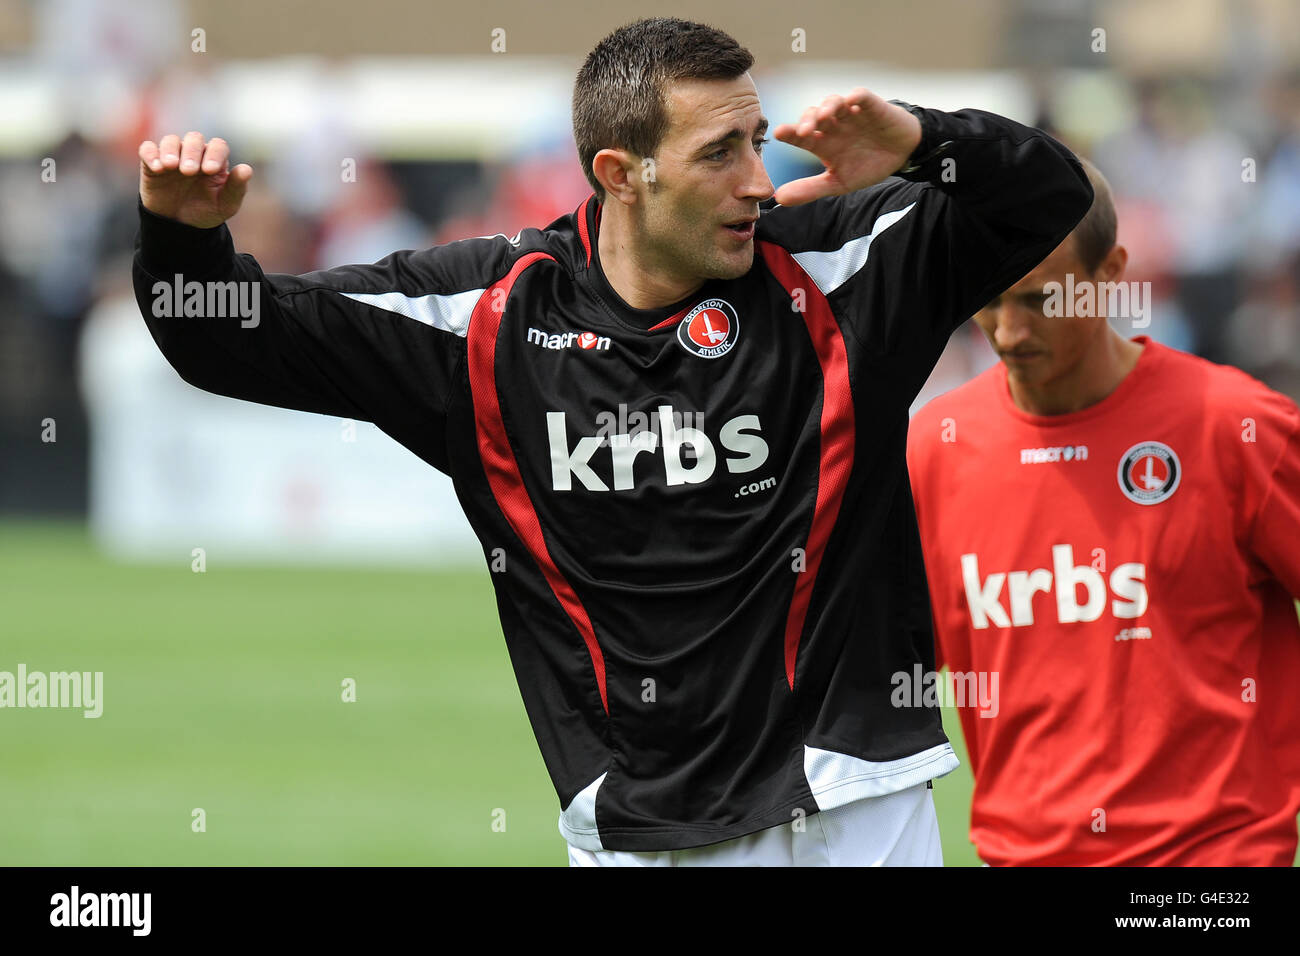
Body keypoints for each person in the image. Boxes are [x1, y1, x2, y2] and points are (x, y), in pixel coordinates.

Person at [130, 17, 1092, 865]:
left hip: (857, 805)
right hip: (642, 832)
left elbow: (1049, 199)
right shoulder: (489, 319)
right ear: (620, 174)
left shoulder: (835, 262)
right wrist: (180, 241)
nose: (760, 181)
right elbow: (223, 337)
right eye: (721, 153)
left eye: (759, 142)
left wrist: (929, 142)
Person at [907, 157, 1300, 866]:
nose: (1008, 333)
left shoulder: (1235, 426)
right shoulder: (936, 448)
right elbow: (887, 665)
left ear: (1111, 272)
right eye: (988, 300)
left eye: (1039, 301)